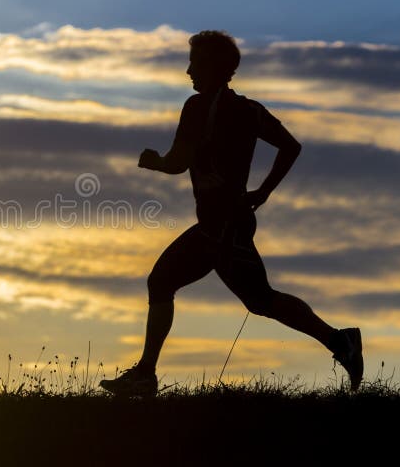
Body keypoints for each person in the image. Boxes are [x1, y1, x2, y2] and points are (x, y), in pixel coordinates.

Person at [99, 30, 363, 397]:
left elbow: (178, 163)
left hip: (219, 227)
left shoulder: (198, 108)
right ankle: (341, 341)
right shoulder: (249, 110)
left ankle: (145, 374)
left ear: (216, 67)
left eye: (196, 62)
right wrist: (263, 192)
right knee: (260, 301)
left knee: (162, 281)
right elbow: (291, 146)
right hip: (231, 223)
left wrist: (154, 162)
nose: (188, 70)